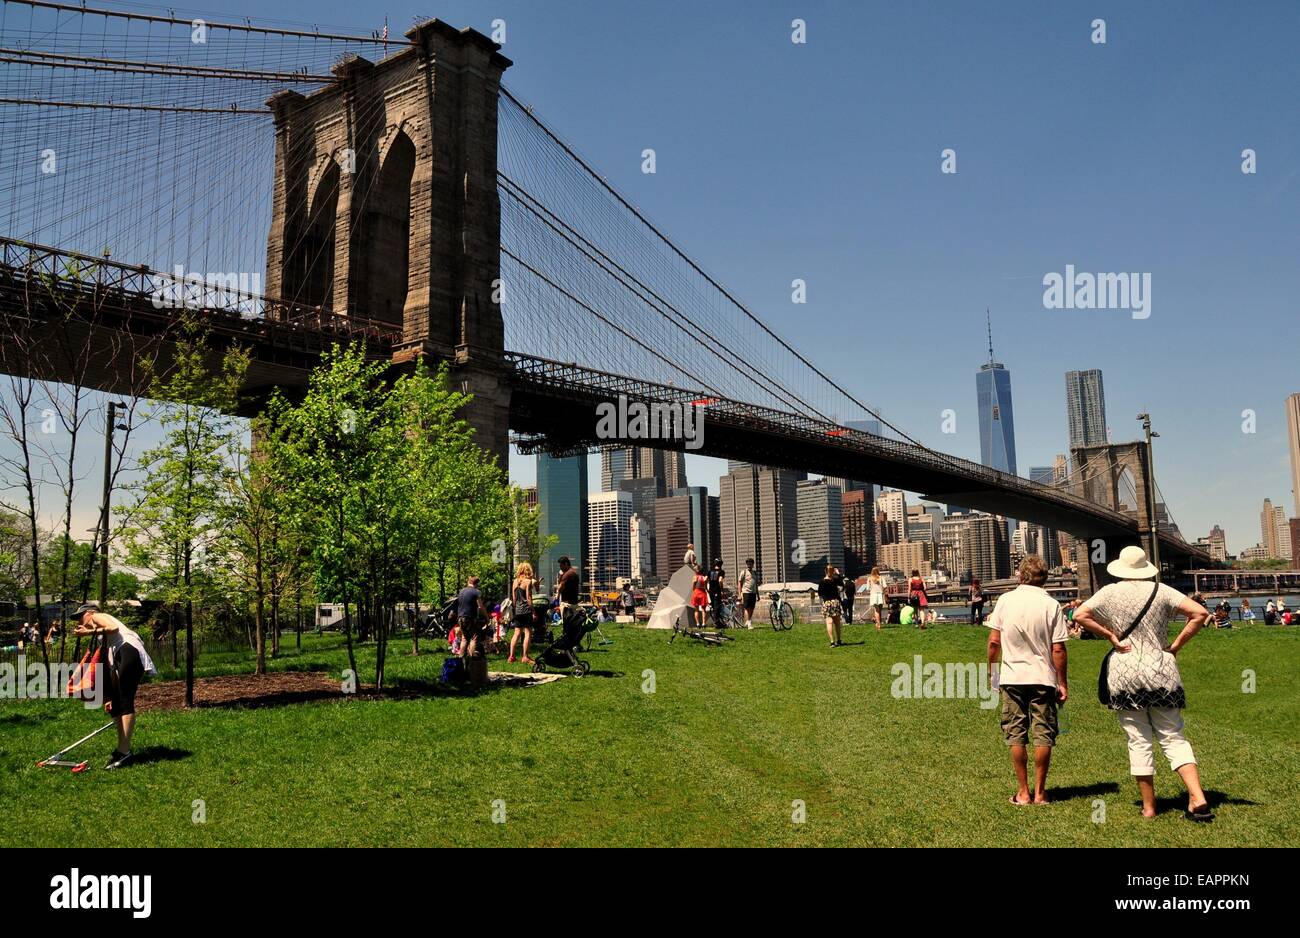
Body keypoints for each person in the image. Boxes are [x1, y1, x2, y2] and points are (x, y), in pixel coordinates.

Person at [1072, 545, 1213, 821]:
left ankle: (1149, 807)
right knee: (1173, 735)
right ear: (1145, 568)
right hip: (1161, 669)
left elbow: (1079, 616)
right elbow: (1199, 614)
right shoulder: (1161, 590)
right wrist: (1174, 647)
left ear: (1121, 569)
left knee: (1138, 739)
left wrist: (1110, 635)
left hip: (1125, 672)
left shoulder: (1109, 592)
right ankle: (1197, 797)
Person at [986, 556, 1068, 806]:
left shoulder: (1005, 601)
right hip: (1043, 678)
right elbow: (1058, 650)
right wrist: (1062, 682)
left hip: (1012, 678)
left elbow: (993, 642)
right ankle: (1041, 793)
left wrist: (992, 673)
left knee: (1016, 733)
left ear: (1021, 576)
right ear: (1044, 578)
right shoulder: (1051, 605)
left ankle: (1023, 792)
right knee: (1043, 733)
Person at [72, 602, 157, 769]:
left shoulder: (98, 617)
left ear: (90, 613)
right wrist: (109, 696)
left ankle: (124, 752)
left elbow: (113, 628)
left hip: (129, 651)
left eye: (80, 617)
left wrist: (88, 631)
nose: (79, 623)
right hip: (123, 653)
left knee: (125, 701)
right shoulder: (103, 638)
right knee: (118, 704)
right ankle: (122, 749)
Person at [507, 562, 537, 665]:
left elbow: (514, 599)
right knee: (528, 632)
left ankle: (511, 656)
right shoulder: (528, 581)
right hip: (526, 610)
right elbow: (529, 598)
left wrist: (516, 609)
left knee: (516, 633)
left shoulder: (515, 582)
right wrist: (533, 611)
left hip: (518, 611)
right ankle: (525, 656)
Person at [455, 575, 489, 660]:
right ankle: (472, 659)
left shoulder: (461, 591)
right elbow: (480, 606)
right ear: (476, 583)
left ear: (468, 581)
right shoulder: (476, 592)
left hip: (460, 617)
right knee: (474, 637)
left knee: (464, 638)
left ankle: (461, 658)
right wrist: (486, 617)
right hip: (469, 618)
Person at [819, 564, 843, 647]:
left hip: (827, 603)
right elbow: (842, 584)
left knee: (829, 623)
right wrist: (838, 574)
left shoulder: (822, 581)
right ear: (833, 571)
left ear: (825, 571)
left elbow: (820, 593)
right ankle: (839, 640)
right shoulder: (835, 580)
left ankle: (832, 642)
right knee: (837, 623)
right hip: (835, 602)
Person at [555, 556, 581, 621]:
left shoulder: (568, 574)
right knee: (573, 623)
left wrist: (557, 593)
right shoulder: (573, 572)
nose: (560, 568)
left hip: (567, 604)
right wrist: (561, 576)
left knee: (567, 623)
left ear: (566, 564)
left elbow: (560, 587)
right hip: (573, 602)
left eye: (561, 566)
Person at [737, 558, 758, 629]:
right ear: (746, 564)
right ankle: (749, 623)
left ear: (753, 564)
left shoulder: (755, 573)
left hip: (753, 593)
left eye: (751, 563)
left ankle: (748, 621)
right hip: (746, 592)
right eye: (748, 563)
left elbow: (756, 584)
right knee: (746, 608)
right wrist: (740, 594)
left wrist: (757, 594)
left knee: (752, 608)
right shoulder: (744, 572)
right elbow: (739, 583)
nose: (749, 565)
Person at [707, 559, 726, 626]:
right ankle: (717, 621)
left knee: (714, 606)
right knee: (717, 606)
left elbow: (705, 579)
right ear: (721, 564)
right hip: (717, 591)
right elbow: (720, 581)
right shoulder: (721, 572)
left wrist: (707, 589)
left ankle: (716, 621)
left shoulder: (710, 571)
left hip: (711, 591)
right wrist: (722, 590)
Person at [866, 567, 886, 631]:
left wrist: (871, 589)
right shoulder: (881, 578)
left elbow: (867, 588)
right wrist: (882, 590)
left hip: (873, 595)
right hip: (880, 594)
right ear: (878, 571)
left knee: (877, 610)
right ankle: (878, 624)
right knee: (879, 610)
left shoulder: (869, 578)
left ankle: (878, 624)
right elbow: (885, 586)